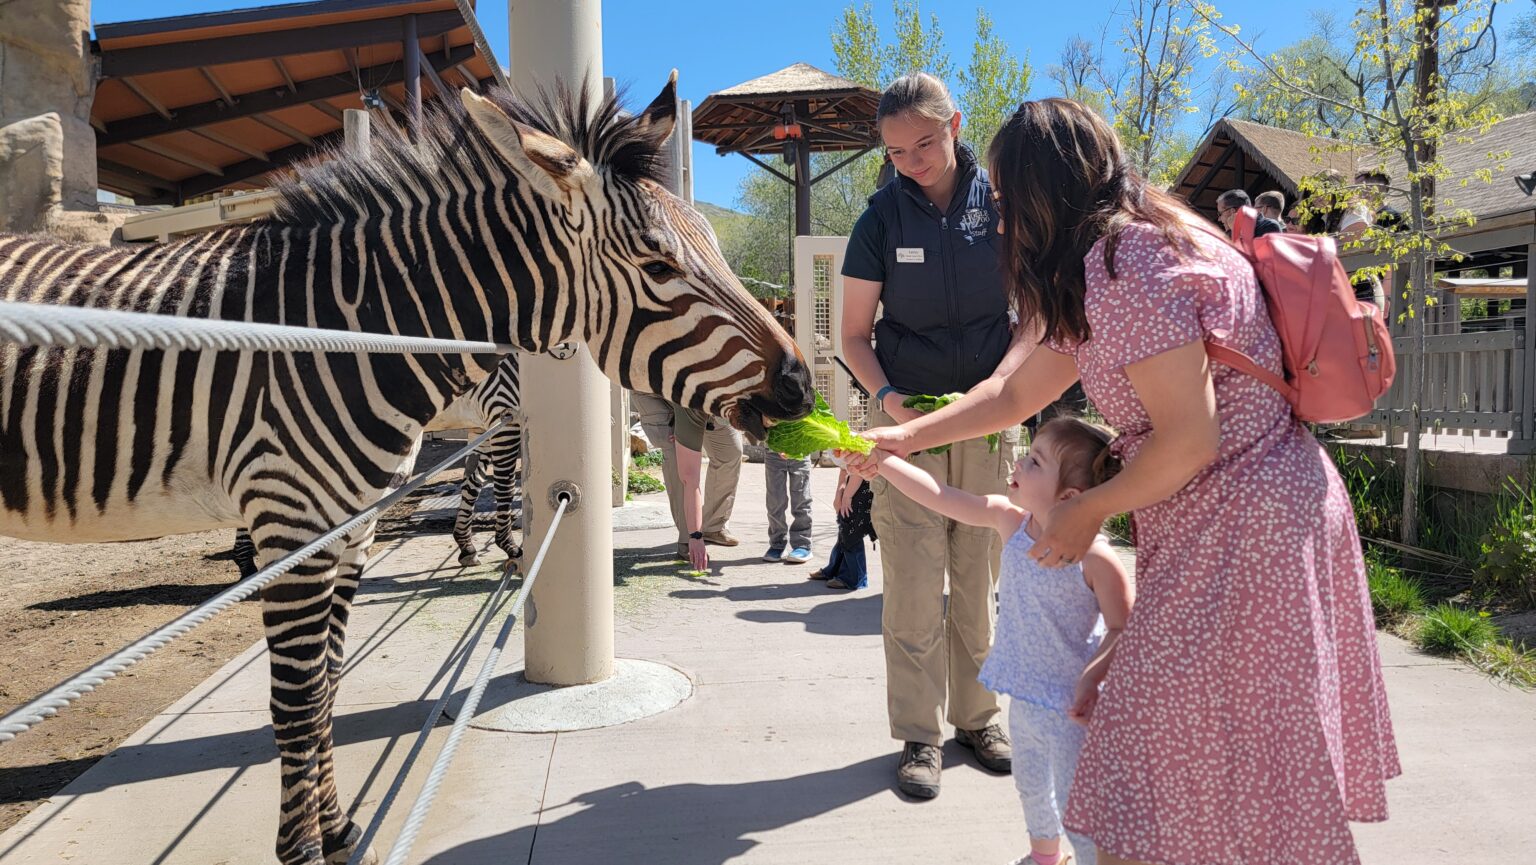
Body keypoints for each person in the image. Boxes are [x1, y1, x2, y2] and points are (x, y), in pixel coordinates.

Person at [847, 97, 1399, 865]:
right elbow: (1011, 395)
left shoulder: (1128, 266)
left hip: (1248, 533)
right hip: (1236, 523)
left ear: (1045, 194)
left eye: (1006, 199)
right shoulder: (1121, 256)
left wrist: (1089, 511)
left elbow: (1190, 437)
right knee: (1184, 773)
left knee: (1171, 778)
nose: (1001, 220)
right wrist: (901, 436)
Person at [839, 71, 1034, 798]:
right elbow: (854, 336)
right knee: (915, 590)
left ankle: (978, 719)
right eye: (896, 152)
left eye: (924, 143)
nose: (912, 161)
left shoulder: (1005, 207)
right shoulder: (879, 221)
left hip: (989, 422)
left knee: (978, 585)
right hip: (907, 426)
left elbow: (1036, 316)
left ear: (955, 125)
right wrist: (893, 408)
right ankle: (919, 735)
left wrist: (1001, 390)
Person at [872, 417, 1134, 865]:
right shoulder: (1011, 522)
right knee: (1031, 787)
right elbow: (939, 496)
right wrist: (880, 463)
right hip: (1025, 699)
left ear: (1069, 496)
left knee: (1078, 806)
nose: (1018, 461)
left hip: (1075, 710)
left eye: (1035, 462)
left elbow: (1123, 628)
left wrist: (1094, 677)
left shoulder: (1095, 557)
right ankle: (1045, 857)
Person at [631, 392, 743, 563]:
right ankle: (687, 538)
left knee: (730, 452)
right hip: (657, 392)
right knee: (678, 457)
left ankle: (713, 526)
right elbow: (690, 477)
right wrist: (695, 536)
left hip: (710, 401)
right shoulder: (693, 400)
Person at [808, 466, 875, 590]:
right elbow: (844, 468)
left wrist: (847, 497)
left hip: (865, 483)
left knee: (852, 531)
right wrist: (840, 493)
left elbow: (858, 469)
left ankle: (854, 578)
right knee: (845, 530)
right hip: (854, 481)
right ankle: (835, 570)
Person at [763, 450, 813, 564]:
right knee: (775, 501)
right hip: (773, 453)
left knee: (801, 500)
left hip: (800, 452)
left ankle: (803, 545)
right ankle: (777, 544)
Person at [1215, 189, 1282, 238]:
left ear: (1232, 211)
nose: (1219, 219)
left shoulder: (1269, 226)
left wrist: (1236, 231)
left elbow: (1249, 252)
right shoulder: (1229, 233)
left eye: (1220, 214)